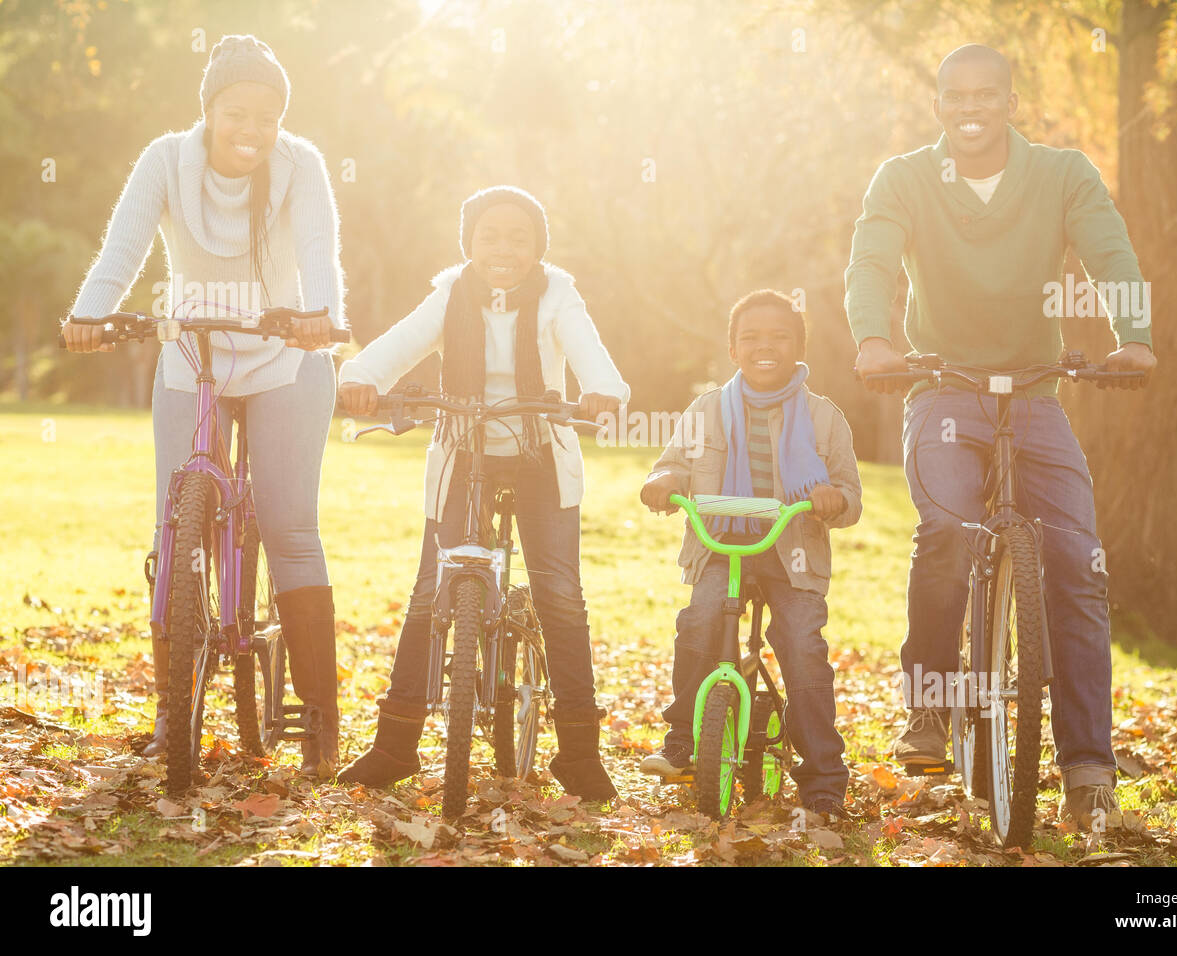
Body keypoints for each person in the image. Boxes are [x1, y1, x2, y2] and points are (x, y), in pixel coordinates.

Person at [845, 43, 1157, 827]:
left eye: (987, 95)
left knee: (1078, 565)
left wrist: (1135, 332)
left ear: (1012, 102)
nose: (970, 108)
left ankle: (1088, 764)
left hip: (1035, 392)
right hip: (944, 389)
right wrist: (873, 339)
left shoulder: (1061, 175)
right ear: (941, 104)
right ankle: (931, 708)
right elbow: (874, 259)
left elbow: (1107, 250)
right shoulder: (907, 178)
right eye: (956, 96)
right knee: (948, 531)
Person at [63, 35, 346, 776]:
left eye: (268, 116)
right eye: (237, 113)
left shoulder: (301, 165)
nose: (252, 130)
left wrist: (321, 312)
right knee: (174, 517)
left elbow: (319, 247)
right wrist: (89, 314)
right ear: (209, 110)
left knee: (288, 527)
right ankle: (171, 713)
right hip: (195, 350)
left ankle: (320, 720)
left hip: (284, 352)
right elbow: (123, 250)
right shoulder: (165, 161)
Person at [335, 185, 629, 802]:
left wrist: (603, 389)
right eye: (490, 235)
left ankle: (579, 754)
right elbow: (399, 344)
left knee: (561, 597)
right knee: (426, 592)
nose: (504, 248)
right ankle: (396, 746)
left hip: (539, 456)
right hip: (462, 451)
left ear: (538, 248)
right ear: (468, 243)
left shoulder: (558, 295)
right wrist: (360, 377)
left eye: (520, 237)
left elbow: (588, 350)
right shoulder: (450, 295)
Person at [640, 290, 863, 819]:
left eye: (780, 336)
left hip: (791, 554)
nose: (766, 346)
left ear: (800, 347)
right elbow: (671, 464)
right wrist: (663, 481)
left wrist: (833, 500)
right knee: (700, 620)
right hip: (722, 546)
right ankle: (682, 741)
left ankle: (824, 776)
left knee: (802, 644)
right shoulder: (706, 410)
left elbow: (851, 499)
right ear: (734, 349)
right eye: (751, 338)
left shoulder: (824, 417)